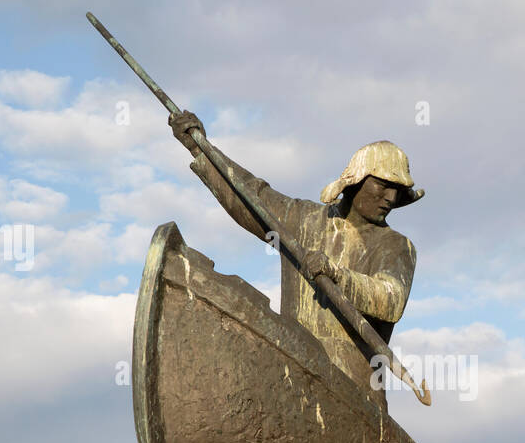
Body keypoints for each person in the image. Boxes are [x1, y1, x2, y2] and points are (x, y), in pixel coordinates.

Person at [169, 112, 423, 406]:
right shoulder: (304, 220)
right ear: (357, 180)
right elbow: (251, 197)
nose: (391, 198)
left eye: (398, 191)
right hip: (293, 375)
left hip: (354, 391)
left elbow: (390, 299)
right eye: (383, 185)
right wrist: (201, 149)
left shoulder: (396, 246)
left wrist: (337, 275)